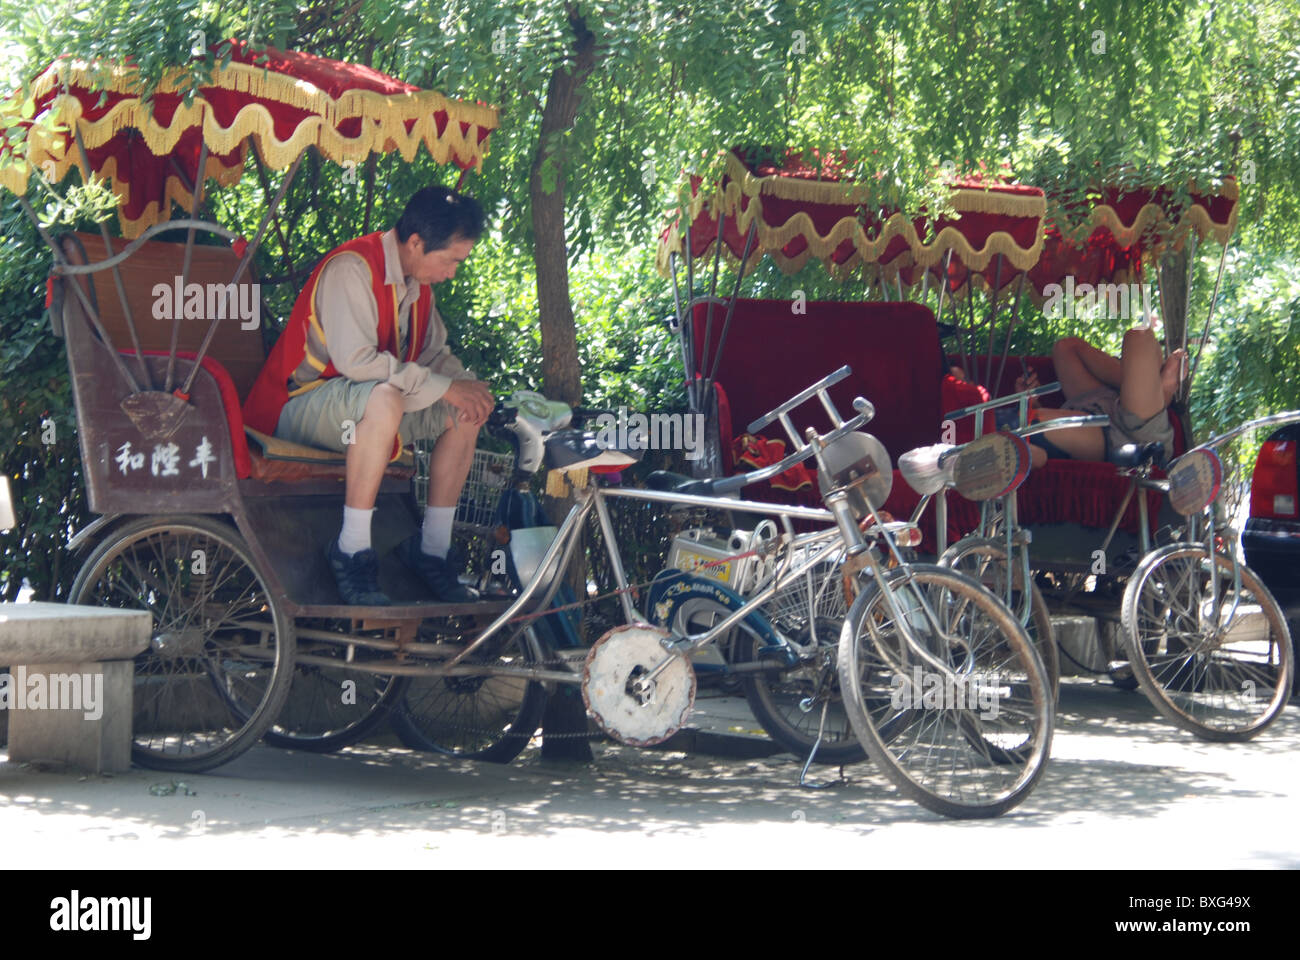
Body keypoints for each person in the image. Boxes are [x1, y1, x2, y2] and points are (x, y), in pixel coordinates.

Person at [242, 186, 494, 605]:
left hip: (362, 412)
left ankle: (432, 551)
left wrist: (466, 387)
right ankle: (352, 548)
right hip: (296, 409)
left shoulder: (419, 284)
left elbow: (435, 356)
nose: (453, 272)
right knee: (385, 398)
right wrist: (445, 387)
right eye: (451, 260)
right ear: (416, 243)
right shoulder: (352, 268)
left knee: (464, 411)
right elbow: (357, 363)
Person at [1014, 319, 1185, 470]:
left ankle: (1150, 386)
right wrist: (1031, 406)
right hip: (1127, 435)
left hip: (1097, 405)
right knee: (1140, 337)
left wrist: (1029, 401)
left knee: (1065, 347)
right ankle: (1161, 390)